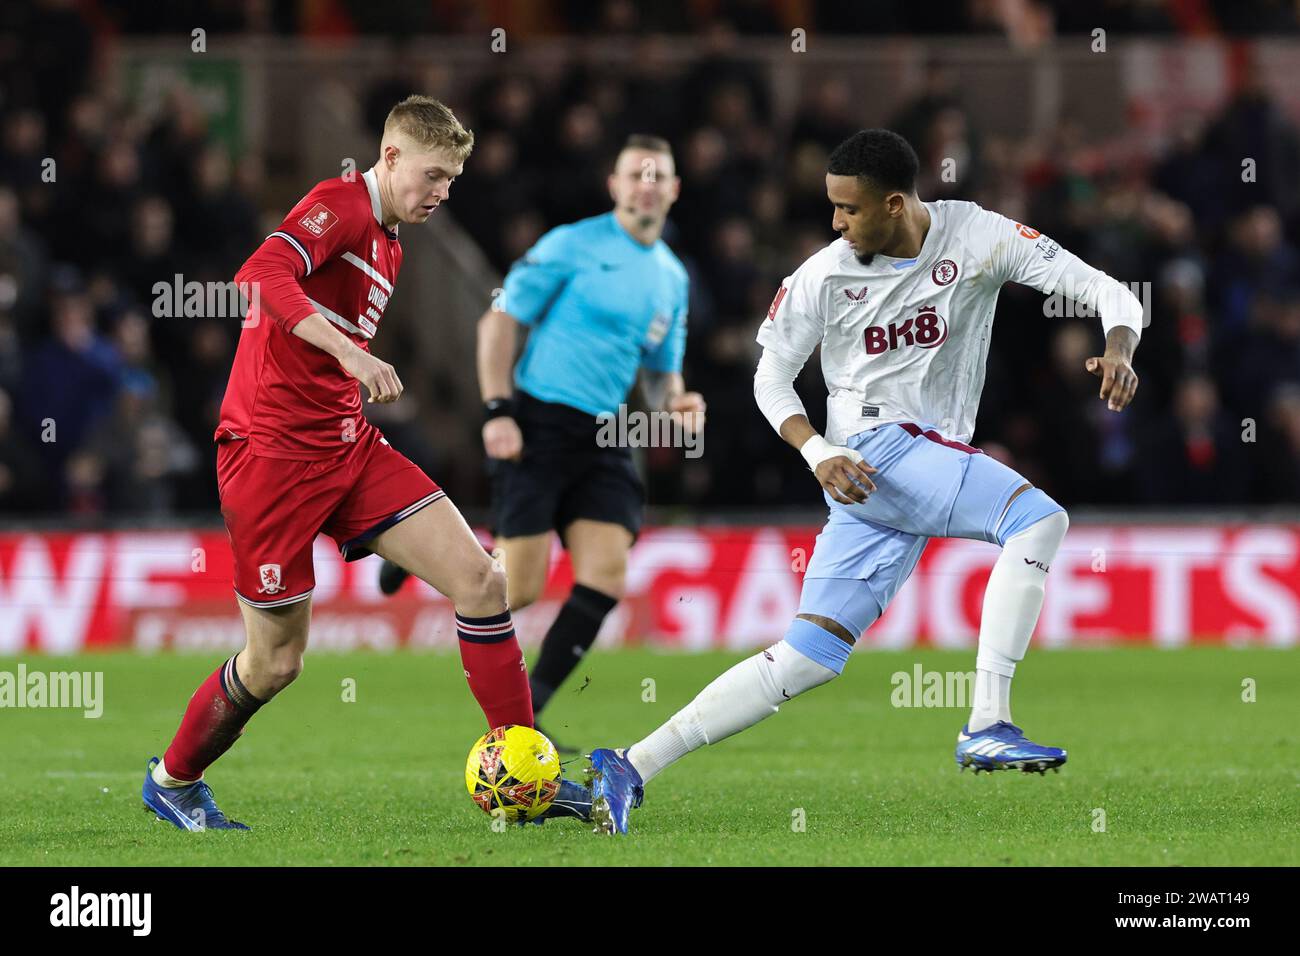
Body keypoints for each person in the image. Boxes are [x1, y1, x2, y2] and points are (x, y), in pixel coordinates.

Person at [586, 129, 1142, 834]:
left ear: (894, 203)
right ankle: (987, 721)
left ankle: (630, 763)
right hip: (868, 448)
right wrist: (816, 450)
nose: (835, 223)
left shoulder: (978, 236)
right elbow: (771, 379)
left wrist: (1118, 348)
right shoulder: (821, 275)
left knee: (806, 658)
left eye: (847, 209)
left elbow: (1104, 290)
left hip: (885, 477)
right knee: (1038, 521)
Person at [141, 96, 589, 830]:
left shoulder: (392, 241)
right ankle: (174, 779)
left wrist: (348, 375)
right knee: (276, 663)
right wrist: (350, 352)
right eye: (434, 175)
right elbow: (260, 275)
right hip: (272, 461)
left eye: (452, 180)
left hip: (346, 447)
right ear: (389, 159)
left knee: (482, 581)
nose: (442, 192)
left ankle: (524, 774)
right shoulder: (339, 206)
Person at [379, 134, 705, 753]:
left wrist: (677, 402)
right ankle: (419, 553)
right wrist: (499, 409)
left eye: (657, 175)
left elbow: (661, 374)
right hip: (540, 421)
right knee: (517, 589)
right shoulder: (572, 245)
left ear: (673, 189)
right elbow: (499, 319)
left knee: (606, 576)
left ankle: (530, 721)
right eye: (634, 173)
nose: (646, 184)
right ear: (614, 185)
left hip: (606, 434)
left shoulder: (671, 277)